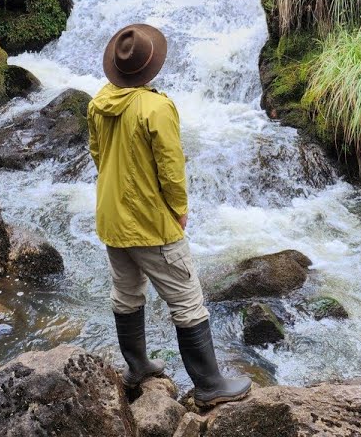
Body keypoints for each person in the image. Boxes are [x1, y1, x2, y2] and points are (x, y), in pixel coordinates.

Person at [87, 23, 250, 408]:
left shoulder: (98, 102)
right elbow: (171, 168)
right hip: (150, 222)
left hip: (111, 218)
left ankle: (138, 366)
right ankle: (209, 384)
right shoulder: (157, 107)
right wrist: (178, 211)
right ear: (150, 67)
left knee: (126, 292)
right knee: (187, 299)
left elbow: (98, 155)